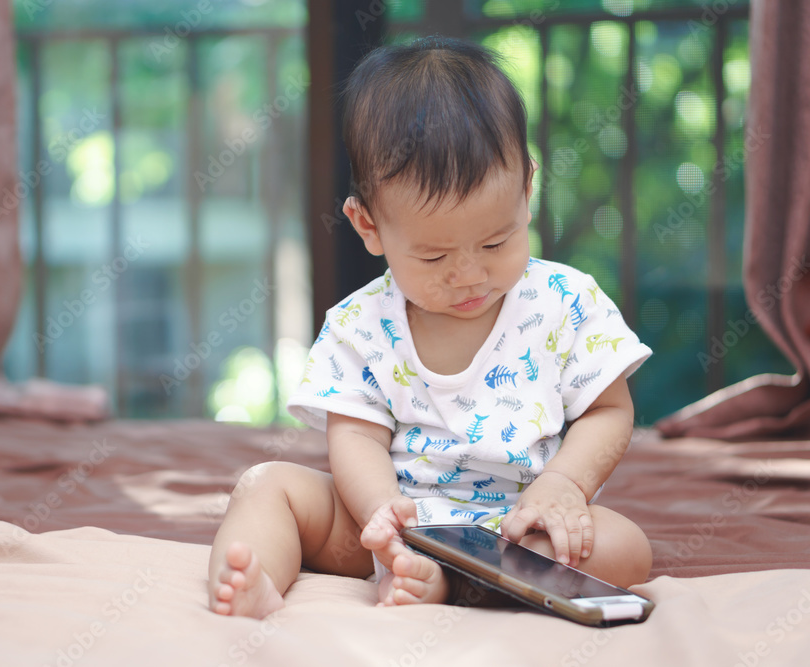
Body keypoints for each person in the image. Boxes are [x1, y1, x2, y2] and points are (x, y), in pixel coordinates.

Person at [207, 36, 653, 619]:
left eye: (496, 242)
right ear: (368, 226)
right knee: (267, 485)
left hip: (515, 532)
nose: (469, 276)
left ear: (528, 190)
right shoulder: (358, 325)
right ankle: (254, 580)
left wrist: (565, 484)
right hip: (389, 523)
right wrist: (385, 515)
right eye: (435, 258)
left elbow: (607, 410)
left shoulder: (566, 303)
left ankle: (454, 582)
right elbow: (357, 437)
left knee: (626, 547)